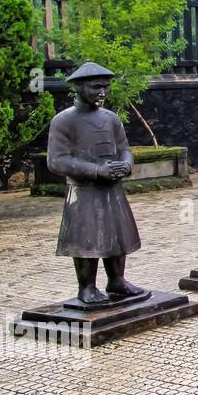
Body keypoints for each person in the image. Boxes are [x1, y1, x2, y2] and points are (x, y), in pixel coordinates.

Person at [46, 62, 149, 307]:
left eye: (105, 87)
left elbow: (124, 149)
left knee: (117, 233)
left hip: (112, 188)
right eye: (96, 87)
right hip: (84, 190)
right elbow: (56, 160)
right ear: (79, 88)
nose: (102, 92)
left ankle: (117, 281)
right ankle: (87, 287)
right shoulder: (64, 121)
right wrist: (95, 170)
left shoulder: (111, 119)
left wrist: (126, 164)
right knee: (87, 237)